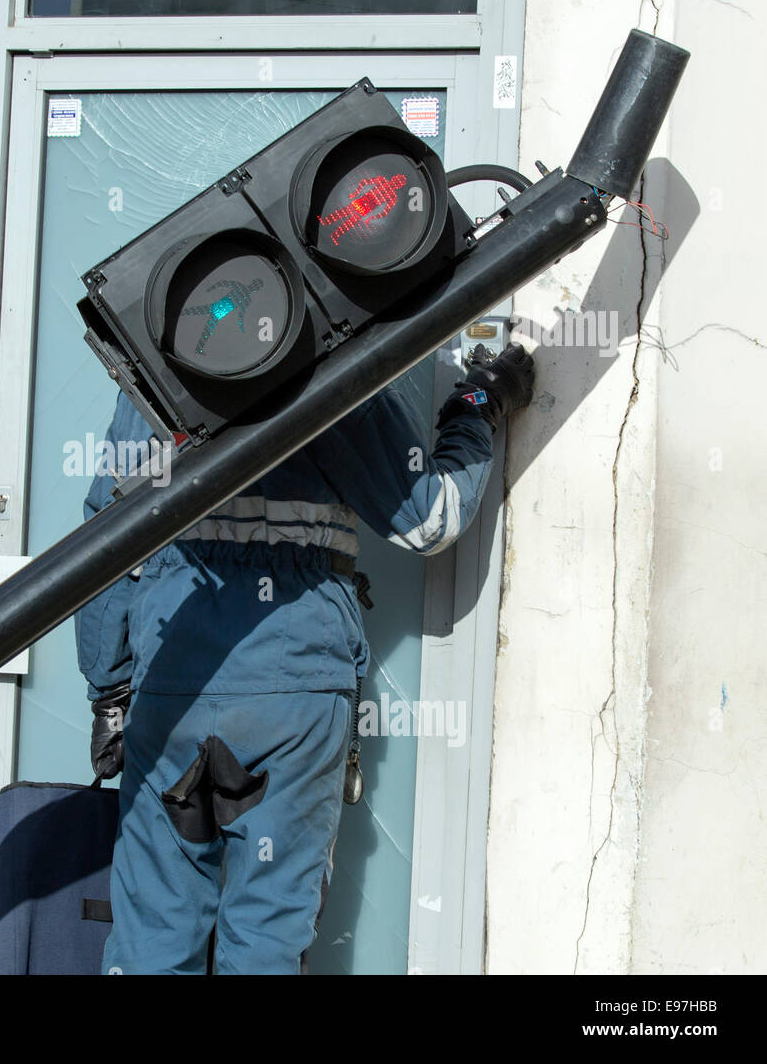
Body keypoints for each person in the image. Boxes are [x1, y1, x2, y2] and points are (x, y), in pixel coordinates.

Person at [75, 342, 535, 975]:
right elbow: (429, 519)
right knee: (265, 943)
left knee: (151, 941)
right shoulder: (332, 361)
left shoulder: (159, 353)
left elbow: (102, 542)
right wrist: (479, 402)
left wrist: (110, 690)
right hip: (294, 685)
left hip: (172, 685)